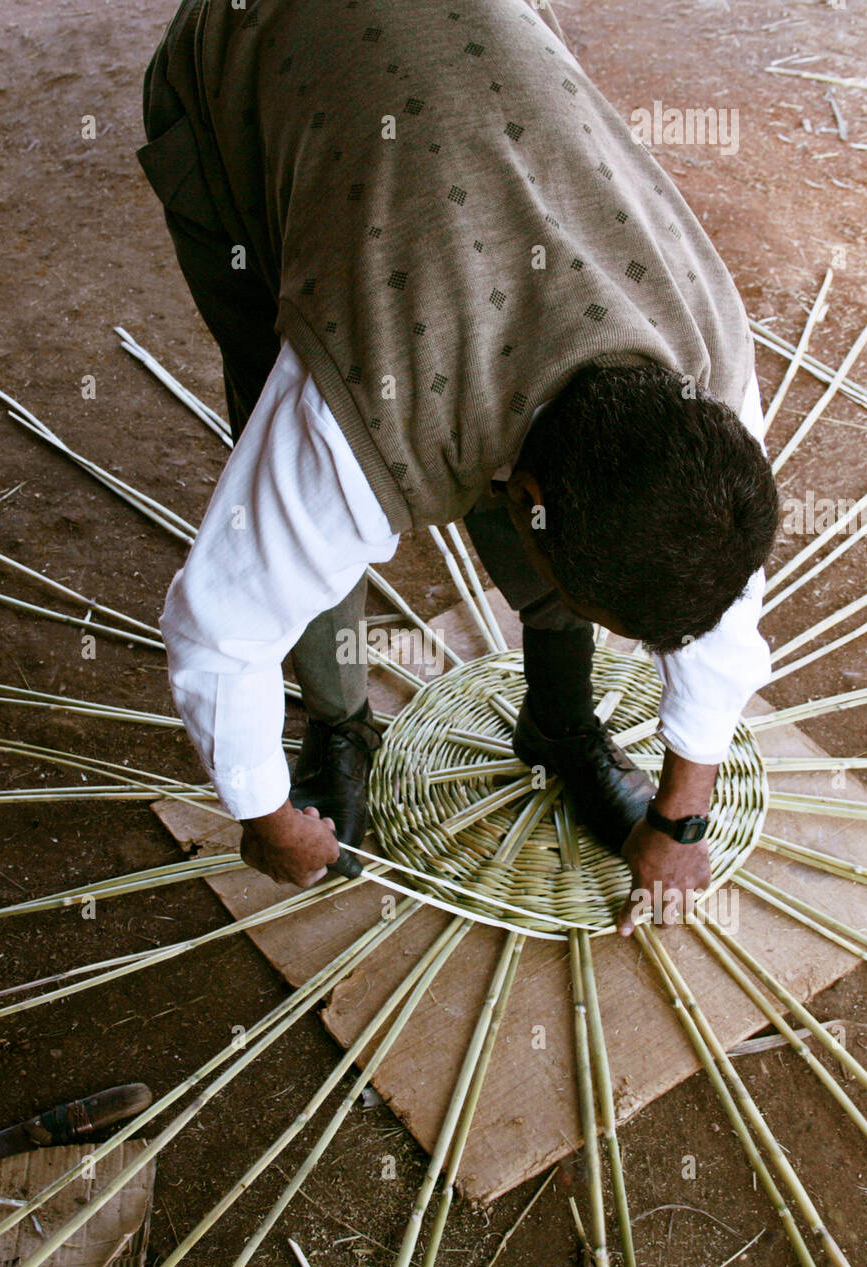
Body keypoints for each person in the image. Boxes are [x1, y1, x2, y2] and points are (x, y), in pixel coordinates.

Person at [137, 0, 779, 935]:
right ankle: (339, 722)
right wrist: (266, 817)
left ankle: (559, 720)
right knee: (271, 392)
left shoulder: (707, 375)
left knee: (591, 539)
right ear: (524, 498)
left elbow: (720, 607)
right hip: (256, 49)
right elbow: (221, 628)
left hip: (478, 54)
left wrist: (681, 815)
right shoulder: (355, 403)